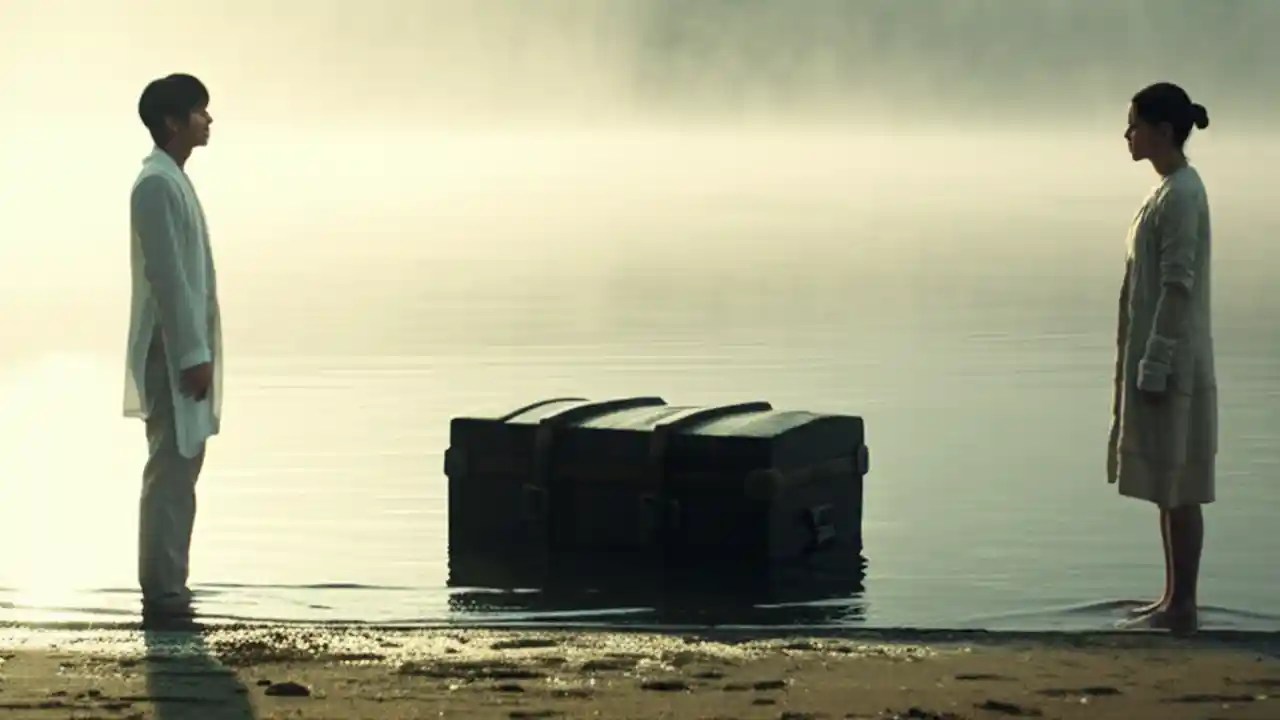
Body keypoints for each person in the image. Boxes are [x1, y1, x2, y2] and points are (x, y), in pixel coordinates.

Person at [1108, 82, 1216, 634]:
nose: (1127, 134)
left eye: (1134, 124)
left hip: (1174, 362)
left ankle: (1184, 605)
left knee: (1181, 482)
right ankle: (1170, 597)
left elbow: (1178, 287)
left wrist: (1155, 362)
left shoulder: (1182, 195)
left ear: (1164, 131)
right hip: (1161, 358)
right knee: (1166, 487)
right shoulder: (1166, 191)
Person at [123, 73, 221, 621]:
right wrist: (192, 356)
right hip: (171, 352)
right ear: (172, 122)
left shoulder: (171, 179)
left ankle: (170, 583)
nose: (208, 121)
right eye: (200, 112)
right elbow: (168, 280)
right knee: (171, 467)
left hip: (183, 349)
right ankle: (162, 591)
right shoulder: (156, 185)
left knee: (182, 466)